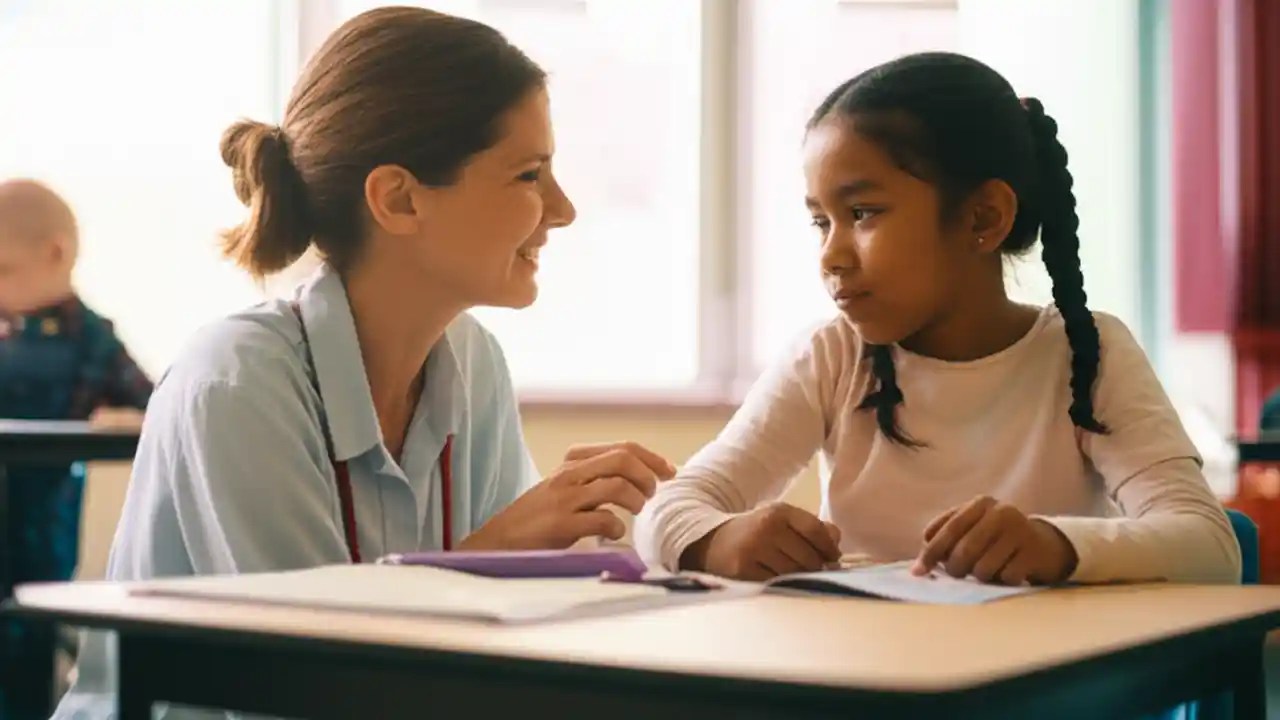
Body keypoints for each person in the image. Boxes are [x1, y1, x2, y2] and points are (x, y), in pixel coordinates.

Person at [53, 7, 672, 718]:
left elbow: (505, 643)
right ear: (399, 199)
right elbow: (310, 687)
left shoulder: (473, 362)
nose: (562, 210)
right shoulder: (236, 382)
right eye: (530, 175)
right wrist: (496, 550)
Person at [634, 52, 1240, 588]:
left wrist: (1056, 546)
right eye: (821, 221)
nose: (831, 255)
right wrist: (716, 541)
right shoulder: (831, 359)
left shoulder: (1088, 352)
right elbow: (668, 509)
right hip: (865, 669)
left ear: (983, 218)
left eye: (863, 213)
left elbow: (1211, 546)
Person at [0, 179, 151, 720]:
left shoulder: (93, 342)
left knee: (27, 638)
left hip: (44, 523)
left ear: (55, 254)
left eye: (4, 271)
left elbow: (157, 408)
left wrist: (129, 419)